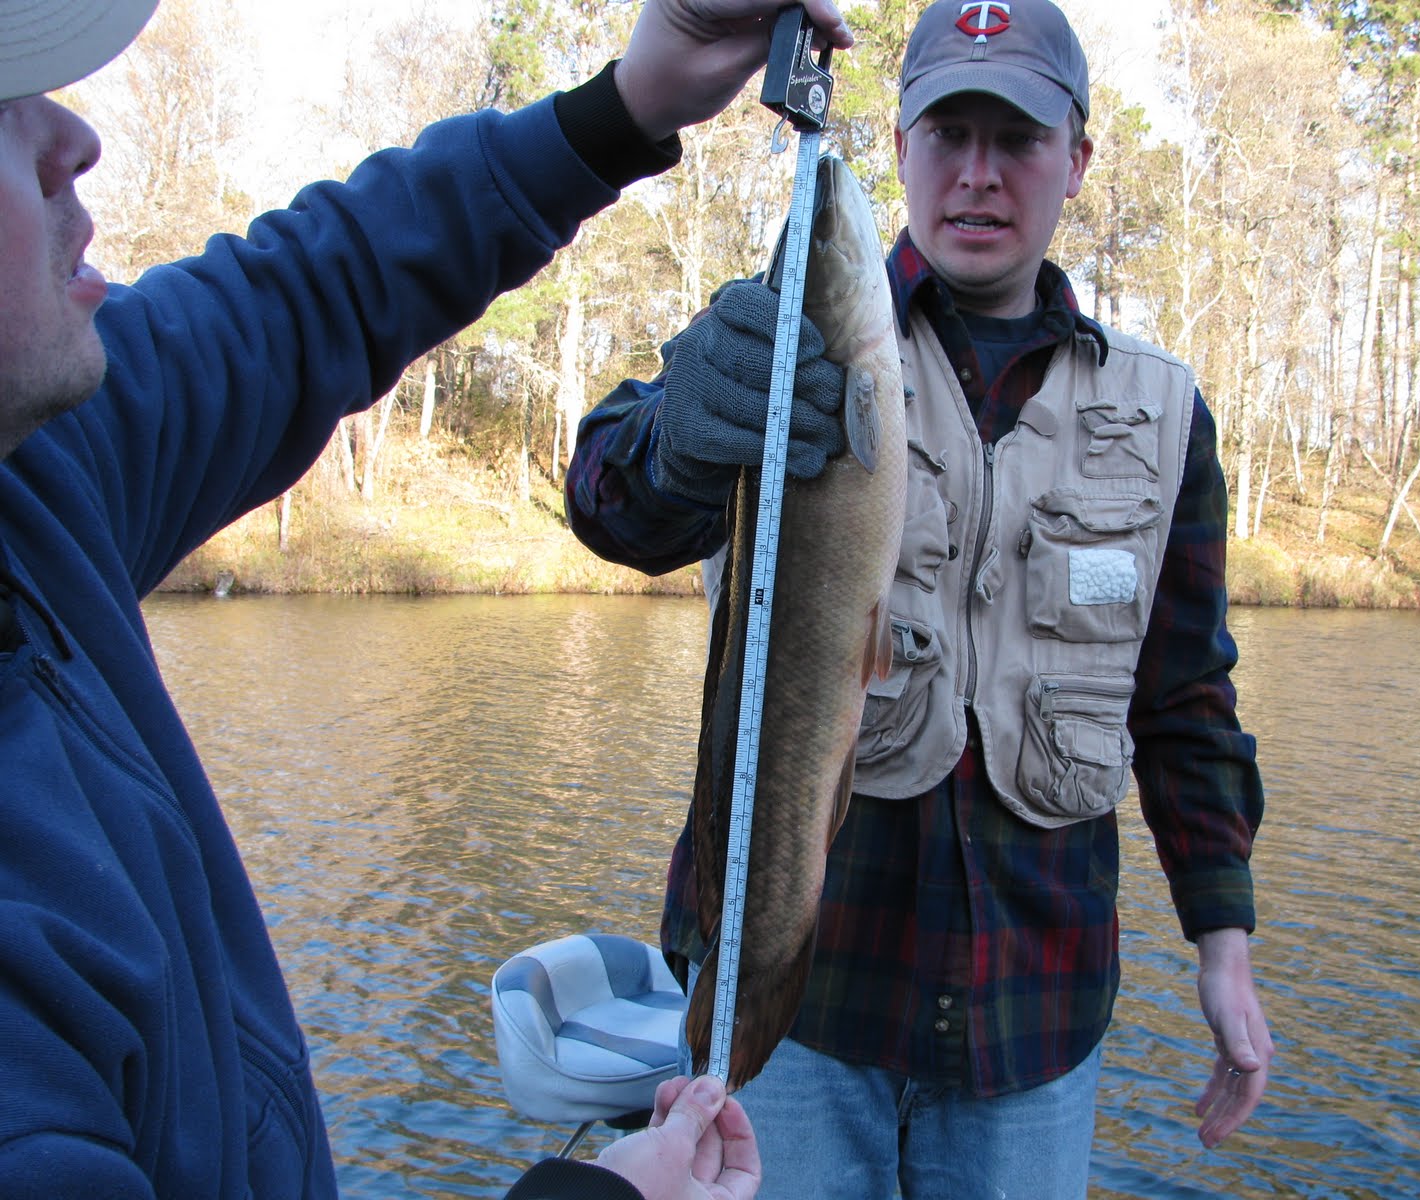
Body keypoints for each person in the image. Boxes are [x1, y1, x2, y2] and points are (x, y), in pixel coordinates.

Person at [0, 0, 854, 1195]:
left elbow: (309, 290)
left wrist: (629, 102)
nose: (71, 141)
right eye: (3, 109)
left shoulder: (38, 476)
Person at [565, 0, 1275, 1195]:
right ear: (897, 147)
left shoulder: (1161, 415)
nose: (979, 176)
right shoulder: (787, 340)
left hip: (1031, 1028)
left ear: (1078, 159)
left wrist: (1224, 943)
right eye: (948, 134)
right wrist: (683, 430)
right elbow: (606, 498)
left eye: (1018, 139)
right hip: (793, 1010)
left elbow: (1188, 696)